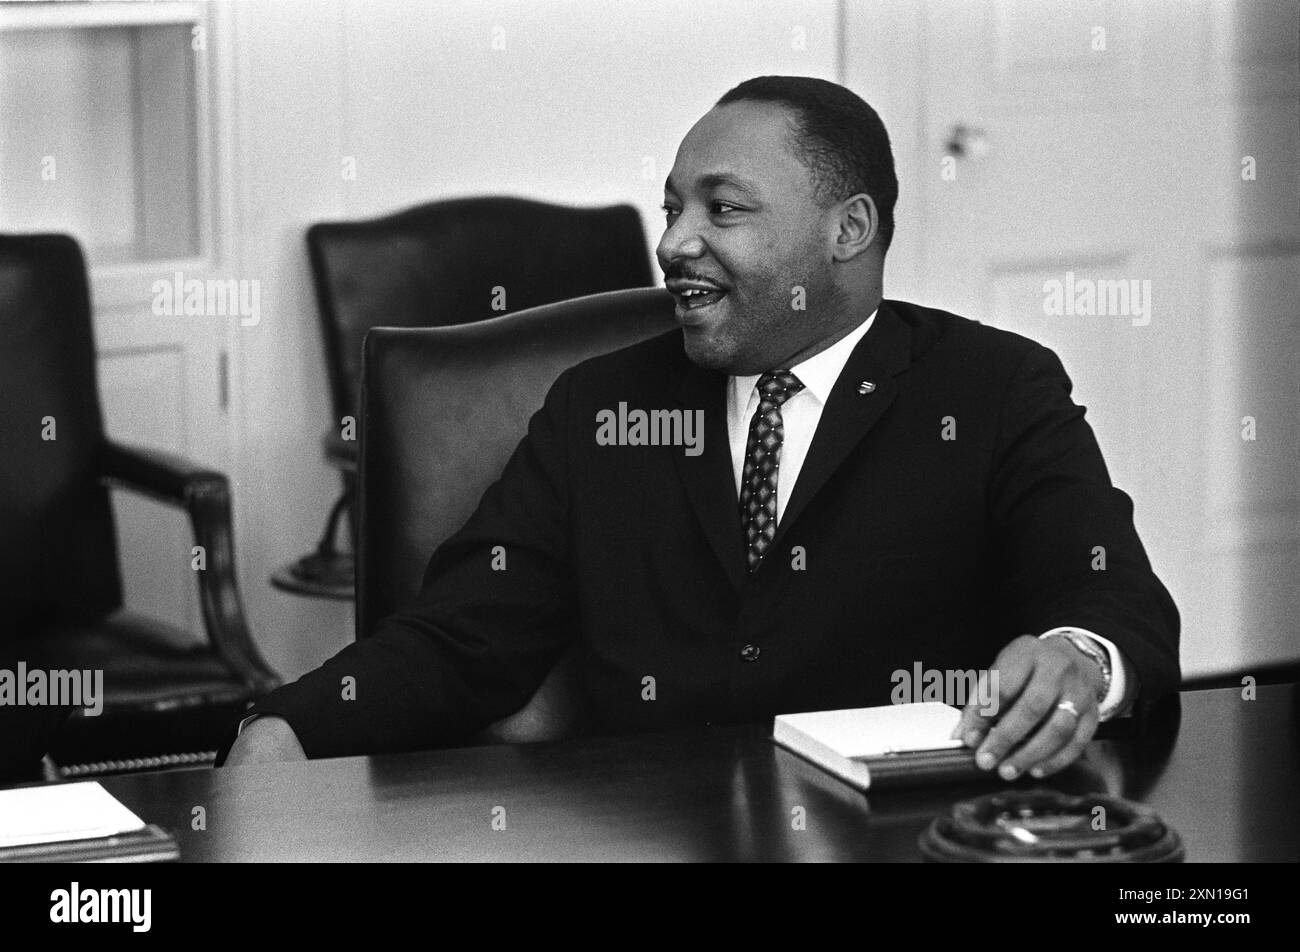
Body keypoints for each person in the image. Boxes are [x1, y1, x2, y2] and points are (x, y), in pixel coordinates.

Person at [226, 76, 1179, 781]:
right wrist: (287, 727)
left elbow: (1110, 602)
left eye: (722, 209)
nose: (675, 241)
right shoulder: (600, 407)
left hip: (898, 838)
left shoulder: (994, 389)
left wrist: (1081, 659)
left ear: (848, 231)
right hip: (650, 837)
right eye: (673, 206)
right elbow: (461, 638)